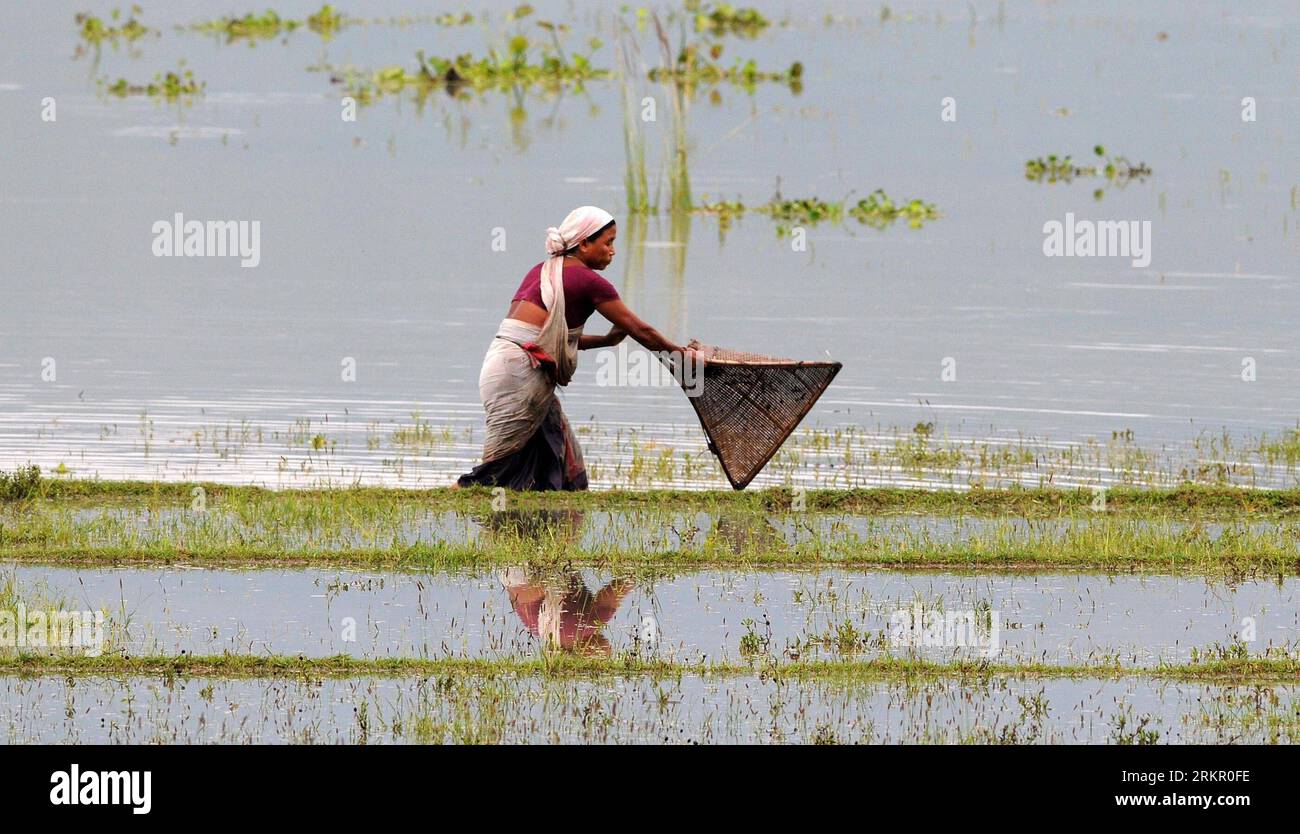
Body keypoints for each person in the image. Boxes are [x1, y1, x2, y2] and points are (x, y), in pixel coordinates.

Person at [457, 205, 701, 490]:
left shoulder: (541, 271)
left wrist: (607, 341)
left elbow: (544, 338)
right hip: (520, 372)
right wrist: (682, 355)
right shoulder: (589, 282)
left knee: (553, 451)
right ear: (584, 244)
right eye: (608, 243)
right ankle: (456, 501)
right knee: (498, 468)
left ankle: (542, 526)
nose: (613, 251)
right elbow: (642, 331)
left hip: (504, 364)